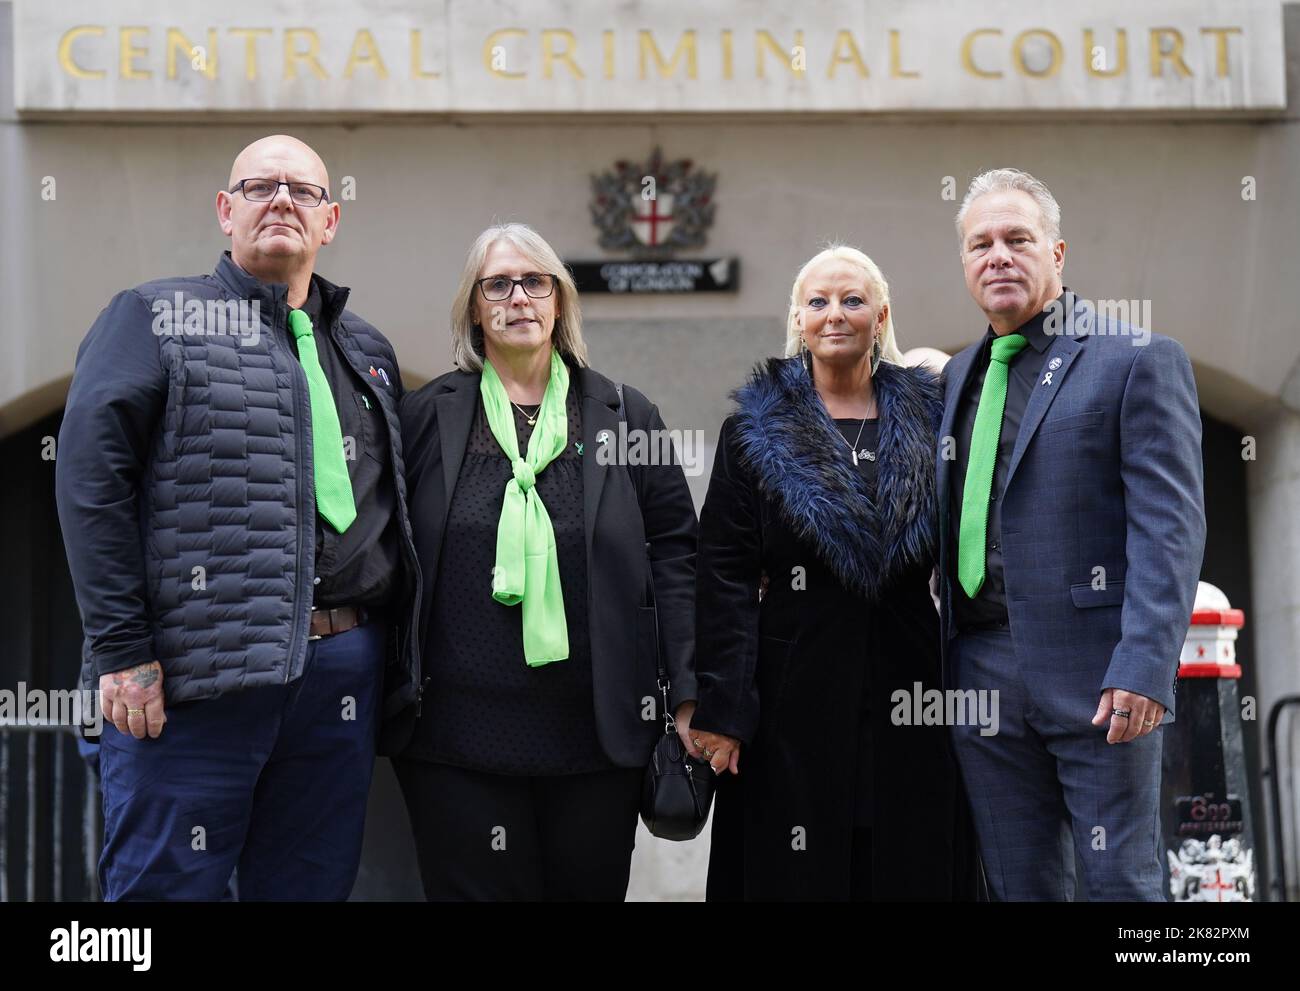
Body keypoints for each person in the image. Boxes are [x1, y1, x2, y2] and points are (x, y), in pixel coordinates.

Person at [55, 134, 419, 901]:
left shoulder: (366, 351)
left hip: (341, 677)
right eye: (260, 186)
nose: (282, 199)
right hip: (192, 681)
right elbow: (92, 487)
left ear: (331, 221)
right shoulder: (151, 317)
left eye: (303, 191)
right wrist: (123, 650)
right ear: (226, 210)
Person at [391, 222, 698, 901]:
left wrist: (686, 693)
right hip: (455, 739)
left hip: (595, 734)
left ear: (560, 301)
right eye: (496, 284)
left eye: (535, 282)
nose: (517, 297)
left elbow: (676, 551)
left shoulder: (623, 414)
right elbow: (393, 545)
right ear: (474, 307)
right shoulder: (428, 415)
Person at [938, 168, 1205, 900]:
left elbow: (1170, 526)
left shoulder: (1137, 358)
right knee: (1019, 885)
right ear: (964, 263)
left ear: (1057, 253)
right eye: (980, 244)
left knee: (1119, 880)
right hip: (980, 675)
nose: (998, 255)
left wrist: (1146, 665)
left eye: (1017, 239)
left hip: (1100, 676)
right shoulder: (957, 376)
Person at [690, 245, 979, 901]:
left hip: (913, 689)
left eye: (852, 299)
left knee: (909, 864)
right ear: (798, 318)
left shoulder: (936, 422)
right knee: (796, 871)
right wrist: (723, 709)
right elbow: (724, 575)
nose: (835, 314)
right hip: (790, 694)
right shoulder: (752, 433)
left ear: (881, 315)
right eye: (818, 301)